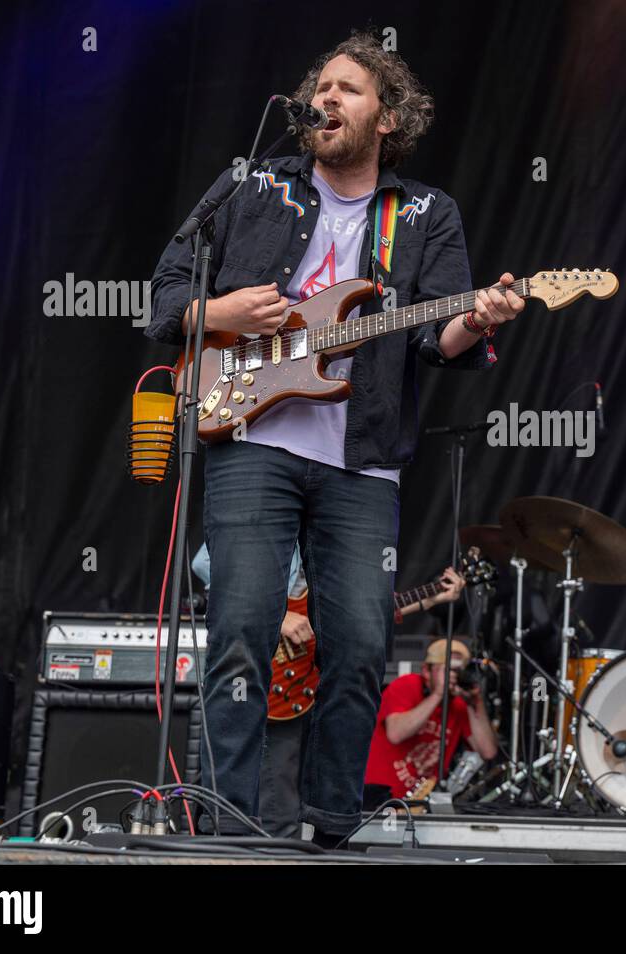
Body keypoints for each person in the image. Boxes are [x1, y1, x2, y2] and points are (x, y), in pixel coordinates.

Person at [146, 32, 524, 846]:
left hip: (365, 459)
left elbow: (439, 339)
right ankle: (226, 823)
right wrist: (221, 315)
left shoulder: (425, 214)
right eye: (320, 87)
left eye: (347, 89)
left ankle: (330, 827)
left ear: (387, 117)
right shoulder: (253, 186)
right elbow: (165, 291)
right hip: (250, 436)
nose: (326, 99)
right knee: (242, 632)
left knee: (357, 647)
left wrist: (476, 317)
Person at [189, 543, 466, 837]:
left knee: (301, 796)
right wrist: (278, 614)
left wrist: (430, 598)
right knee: (274, 796)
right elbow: (205, 562)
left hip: (313, 681)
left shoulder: (336, 523)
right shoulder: (268, 506)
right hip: (268, 666)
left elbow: (356, 614)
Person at [364, 638, 499, 800]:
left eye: (458, 670)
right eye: (448, 669)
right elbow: (395, 733)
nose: (454, 675)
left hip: (419, 801)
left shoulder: (458, 705)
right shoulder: (407, 685)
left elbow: (488, 751)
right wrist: (438, 695)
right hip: (378, 798)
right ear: (427, 671)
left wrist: (475, 702)